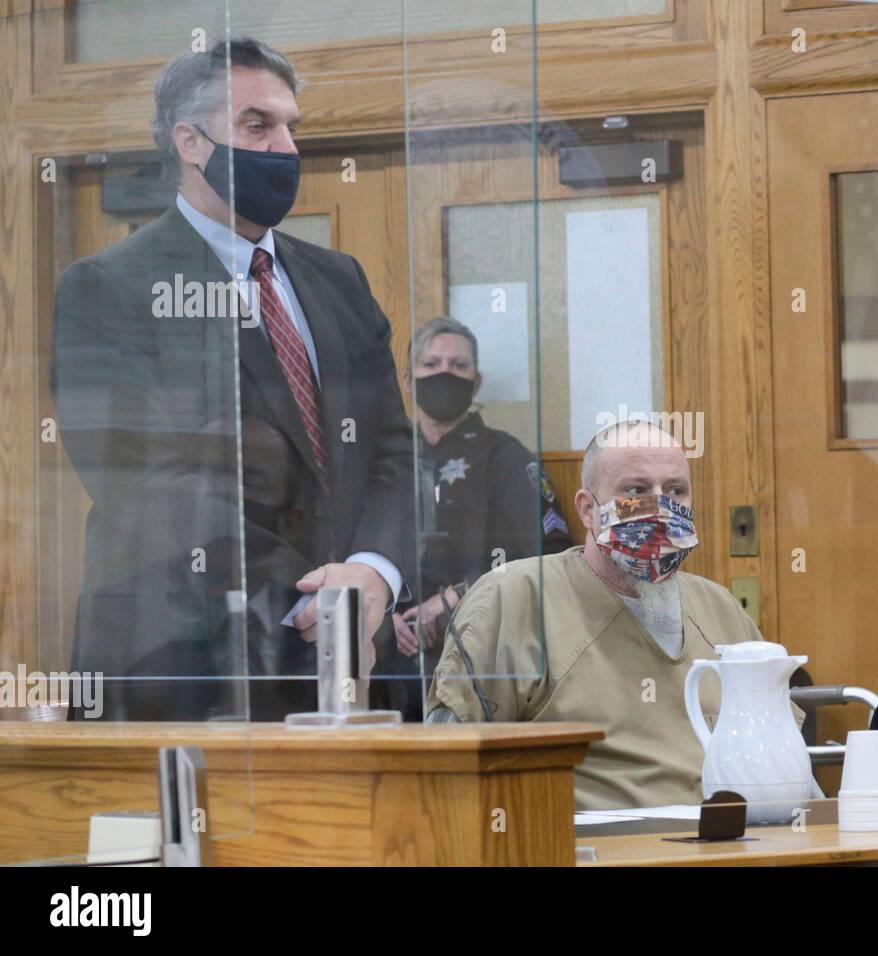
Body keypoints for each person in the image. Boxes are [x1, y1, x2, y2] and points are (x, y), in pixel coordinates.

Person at [52, 37, 414, 720]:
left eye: (290, 127)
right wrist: (317, 601)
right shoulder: (110, 287)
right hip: (191, 659)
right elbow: (145, 484)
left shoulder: (339, 280)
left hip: (353, 657)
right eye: (257, 125)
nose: (284, 147)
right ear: (190, 142)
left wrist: (373, 575)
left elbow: (394, 450)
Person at [424, 419, 771, 811]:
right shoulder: (516, 598)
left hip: (726, 844)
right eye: (636, 490)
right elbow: (445, 771)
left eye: (675, 491)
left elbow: (780, 760)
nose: (660, 507)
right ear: (588, 509)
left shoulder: (721, 609)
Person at [379, 317, 571, 719]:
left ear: (476, 381)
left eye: (458, 365)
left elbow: (550, 558)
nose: (444, 373)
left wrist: (451, 600)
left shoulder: (506, 458)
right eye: (431, 365)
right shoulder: (386, 458)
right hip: (386, 666)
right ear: (409, 378)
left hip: (482, 657)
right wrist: (382, 612)